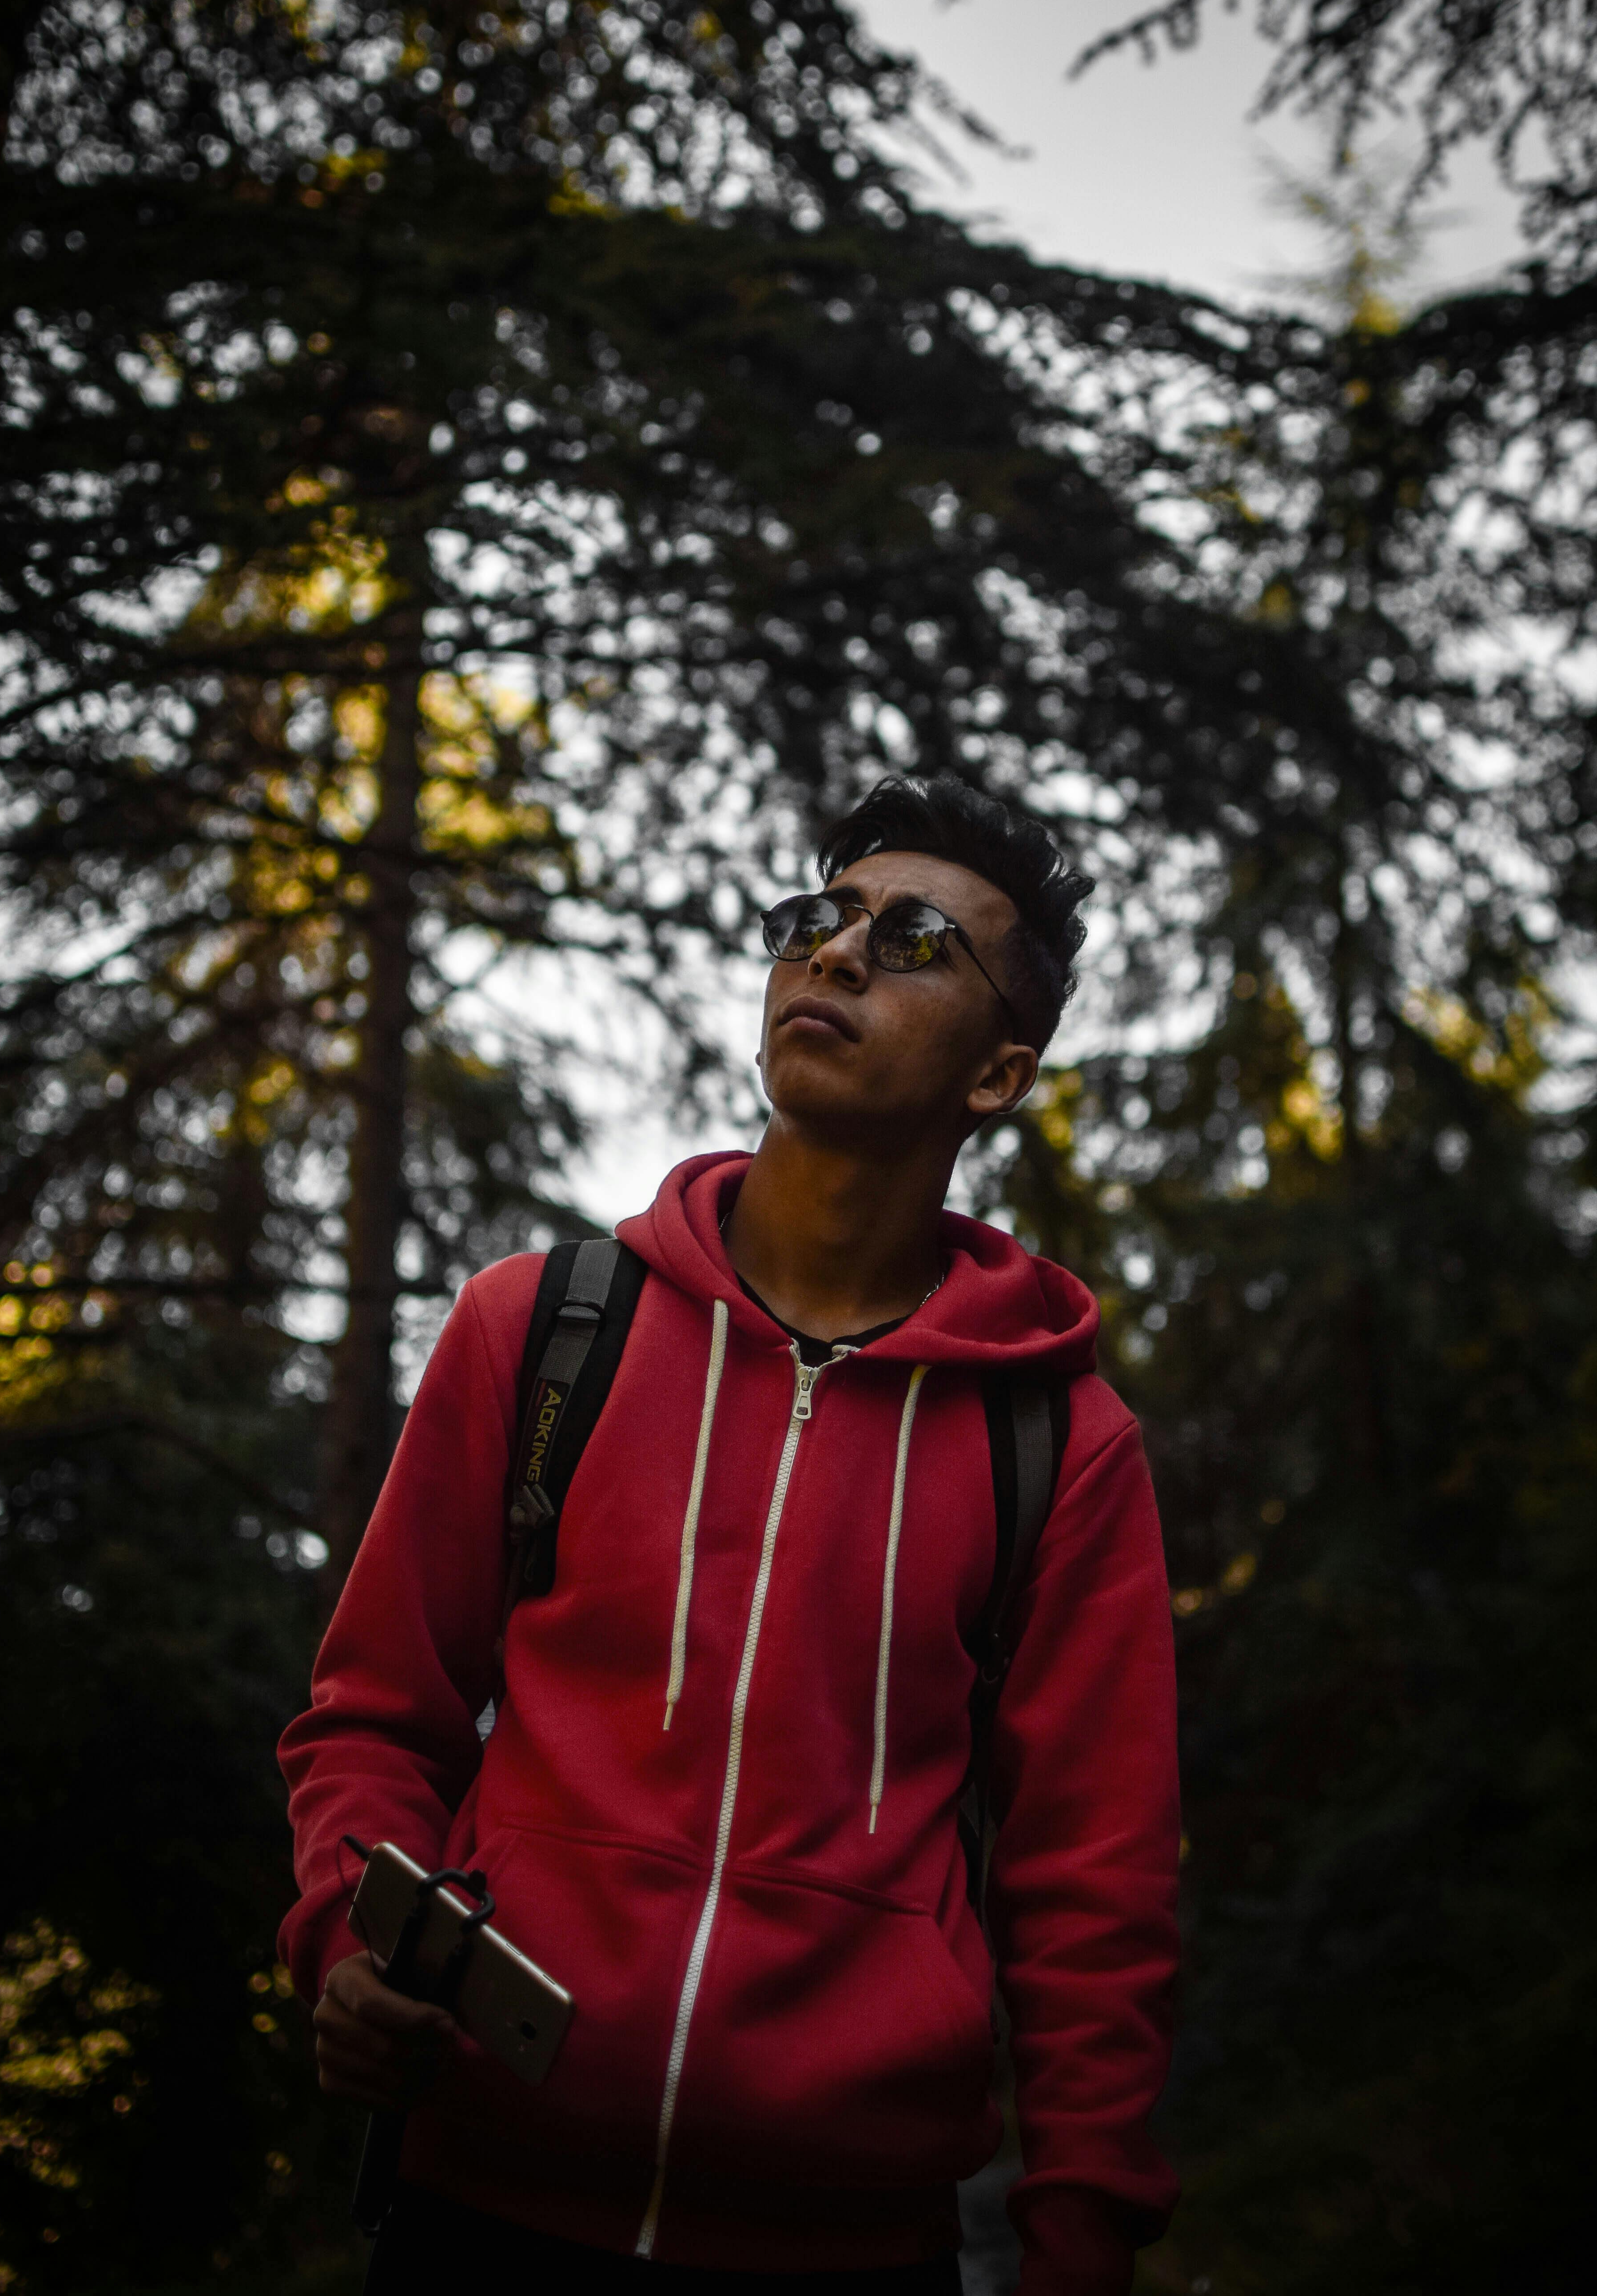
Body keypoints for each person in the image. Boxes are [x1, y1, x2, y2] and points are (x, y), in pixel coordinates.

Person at [278, 774, 1180, 2296]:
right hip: (476, 2210)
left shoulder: (1058, 1444)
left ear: (997, 1075)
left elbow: (1093, 1887)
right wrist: (344, 1936)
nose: (835, 955)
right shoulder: (544, 1332)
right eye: (815, 921)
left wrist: (1079, 2232)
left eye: (911, 942)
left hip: (845, 2247)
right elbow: (376, 1718)